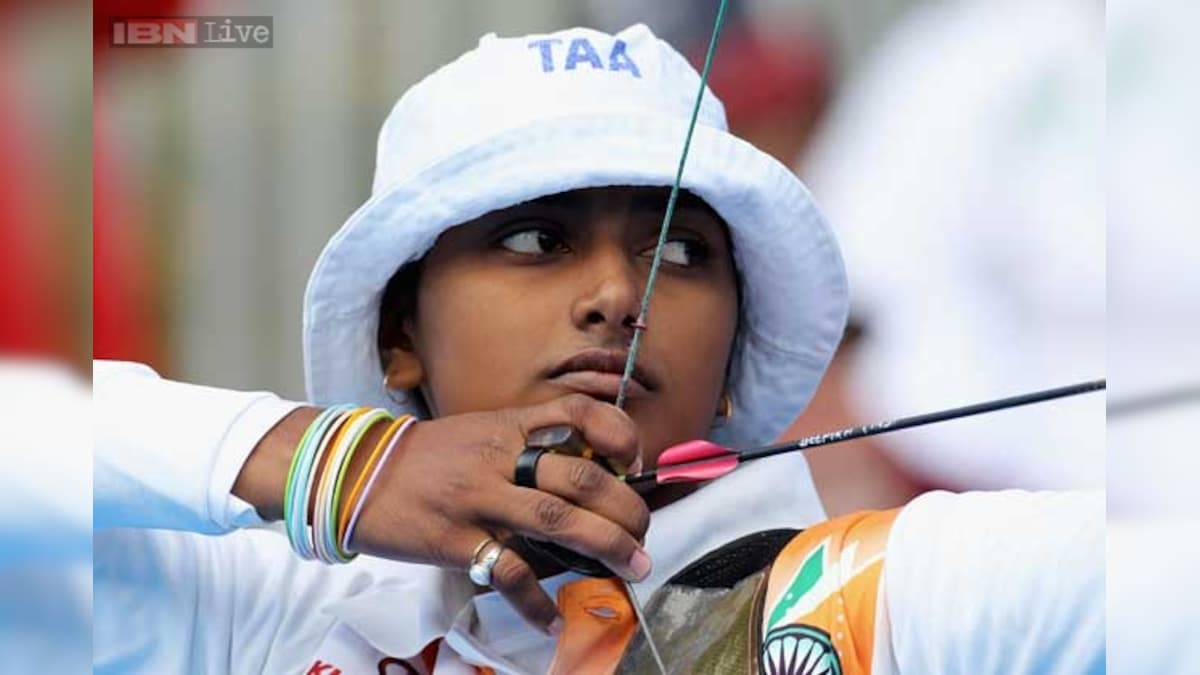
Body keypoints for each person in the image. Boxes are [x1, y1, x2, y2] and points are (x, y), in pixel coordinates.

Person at [94, 24, 1101, 675]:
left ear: (734, 350)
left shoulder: (913, 596)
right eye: (534, 239)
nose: (622, 295)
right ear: (400, 337)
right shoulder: (273, 617)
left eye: (680, 250)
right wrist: (329, 463)